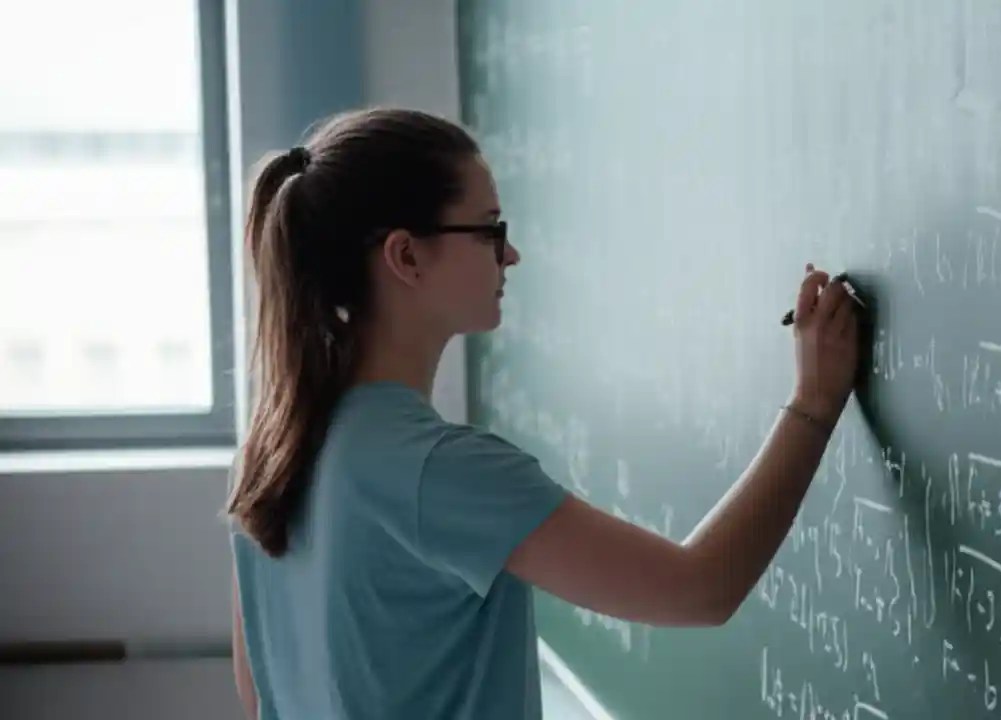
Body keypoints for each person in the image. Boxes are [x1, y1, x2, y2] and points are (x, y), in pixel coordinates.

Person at [225, 107, 862, 719]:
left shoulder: (272, 455)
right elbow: (701, 589)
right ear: (406, 256)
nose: (510, 255)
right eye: (489, 228)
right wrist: (813, 402)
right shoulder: (437, 470)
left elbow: (262, 697)